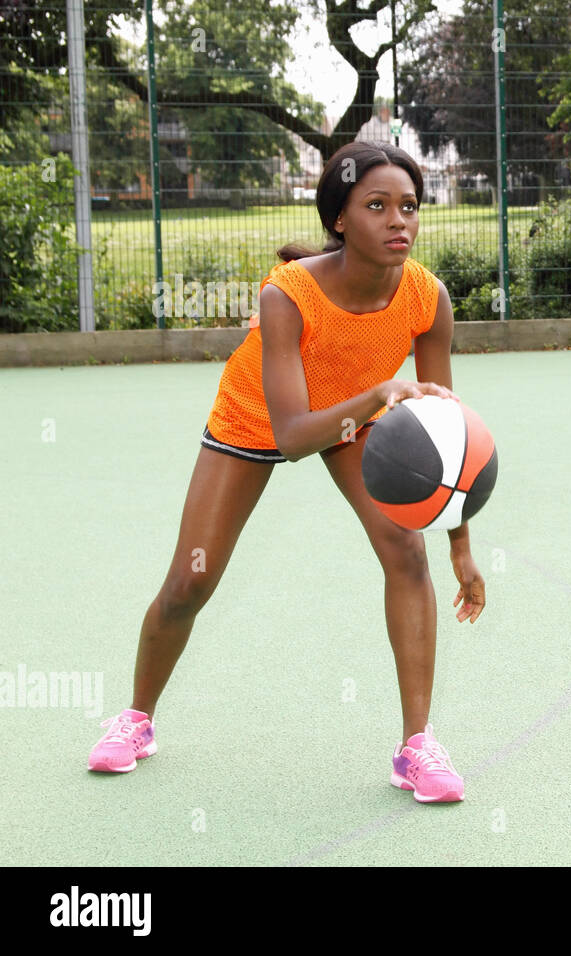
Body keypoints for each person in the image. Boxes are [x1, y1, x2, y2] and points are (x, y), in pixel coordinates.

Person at [87, 142, 485, 804]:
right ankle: (135, 720)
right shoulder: (287, 296)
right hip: (262, 421)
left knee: (406, 552)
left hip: (360, 416)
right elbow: (294, 435)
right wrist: (380, 396)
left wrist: (462, 548)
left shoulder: (427, 298)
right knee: (190, 578)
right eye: (377, 206)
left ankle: (418, 746)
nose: (399, 222)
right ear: (339, 220)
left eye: (409, 207)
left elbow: (449, 437)